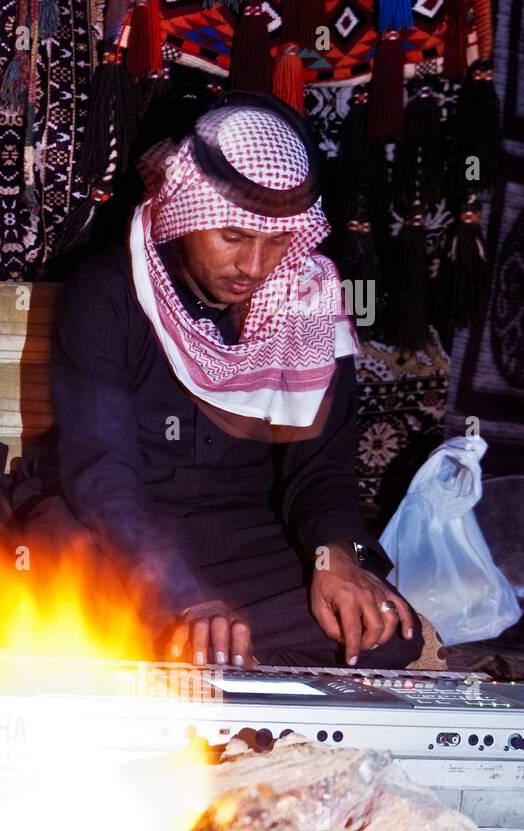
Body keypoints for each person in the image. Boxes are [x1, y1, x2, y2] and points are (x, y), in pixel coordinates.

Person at [44, 92, 420, 670]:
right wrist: (183, 599)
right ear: (182, 212)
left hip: (242, 534)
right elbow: (101, 475)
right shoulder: (106, 292)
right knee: (62, 586)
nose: (255, 265)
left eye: (277, 242)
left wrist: (334, 557)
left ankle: (207, 650)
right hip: (120, 530)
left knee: (384, 629)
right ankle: (200, 642)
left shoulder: (309, 301)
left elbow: (321, 470)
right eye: (235, 237)